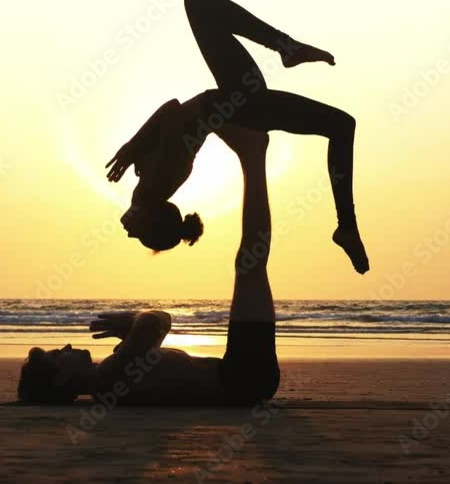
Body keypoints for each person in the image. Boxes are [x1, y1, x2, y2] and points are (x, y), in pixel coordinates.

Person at [107, 0, 368, 274]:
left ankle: (347, 227)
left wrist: (136, 151)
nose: (130, 233)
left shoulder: (149, 189)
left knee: (342, 125)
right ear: (152, 217)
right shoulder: (159, 181)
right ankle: (286, 47)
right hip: (238, 102)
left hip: (240, 106)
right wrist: (133, 147)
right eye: (140, 234)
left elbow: (170, 120)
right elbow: (172, 109)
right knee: (198, 1)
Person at [18, 126, 279, 406]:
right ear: (61, 380)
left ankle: (253, 155)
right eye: (57, 355)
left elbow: (156, 327)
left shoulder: (113, 370)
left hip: (243, 377)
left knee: (250, 263)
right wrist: (134, 323)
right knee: (250, 263)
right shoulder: (107, 378)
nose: (66, 347)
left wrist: (134, 335)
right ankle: (252, 156)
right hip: (242, 377)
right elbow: (157, 320)